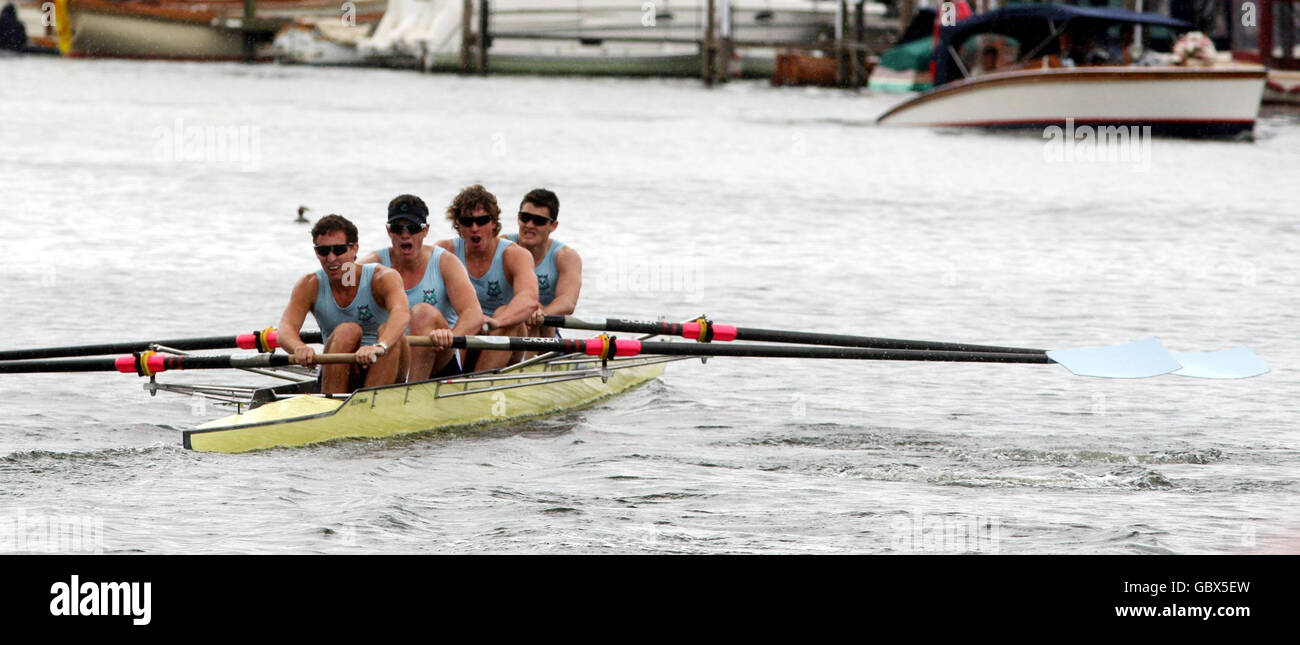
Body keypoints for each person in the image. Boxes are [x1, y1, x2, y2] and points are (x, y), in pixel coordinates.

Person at [276, 214, 411, 394]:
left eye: (338, 250)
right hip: (341, 369)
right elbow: (285, 329)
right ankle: (332, 404)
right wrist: (298, 347)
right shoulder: (309, 284)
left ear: (354, 249)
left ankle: (369, 402)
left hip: (386, 363)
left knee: (393, 333)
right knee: (348, 330)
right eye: (323, 251)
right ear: (316, 252)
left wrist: (380, 346)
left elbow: (402, 315)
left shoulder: (382, 277)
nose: (331, 258)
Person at [358, 195, 483, 380]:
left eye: (413, 228)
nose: (405, 234)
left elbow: (473, 314)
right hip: (391, 357)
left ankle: (411, 392)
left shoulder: (446, 262)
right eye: (398, 228)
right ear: (388, 231)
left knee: (423, 313)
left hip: (438, 358)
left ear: (426, 231)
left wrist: (450, 336)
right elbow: (338, 287)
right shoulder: (370, 265)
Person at [435, 185, 539, 371]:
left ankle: (478, 386)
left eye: (482, 221)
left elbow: (529, 299)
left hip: (501, 337)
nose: (474, 228)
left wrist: (496, 322)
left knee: (504, 313)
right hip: (462, 336)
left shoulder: (515, 255)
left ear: (493, 223)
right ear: (459, 225)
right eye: (467, 222)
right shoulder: (444, 252)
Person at [502, 188, 582, 340]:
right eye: (525, 217)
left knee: (535, 317)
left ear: (553, 226)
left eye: (538, 221)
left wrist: (540, 313)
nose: (529, 225)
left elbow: (567, 302)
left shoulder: (566, 256)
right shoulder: (502, 247)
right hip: (506, 322)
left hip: (544, 328)